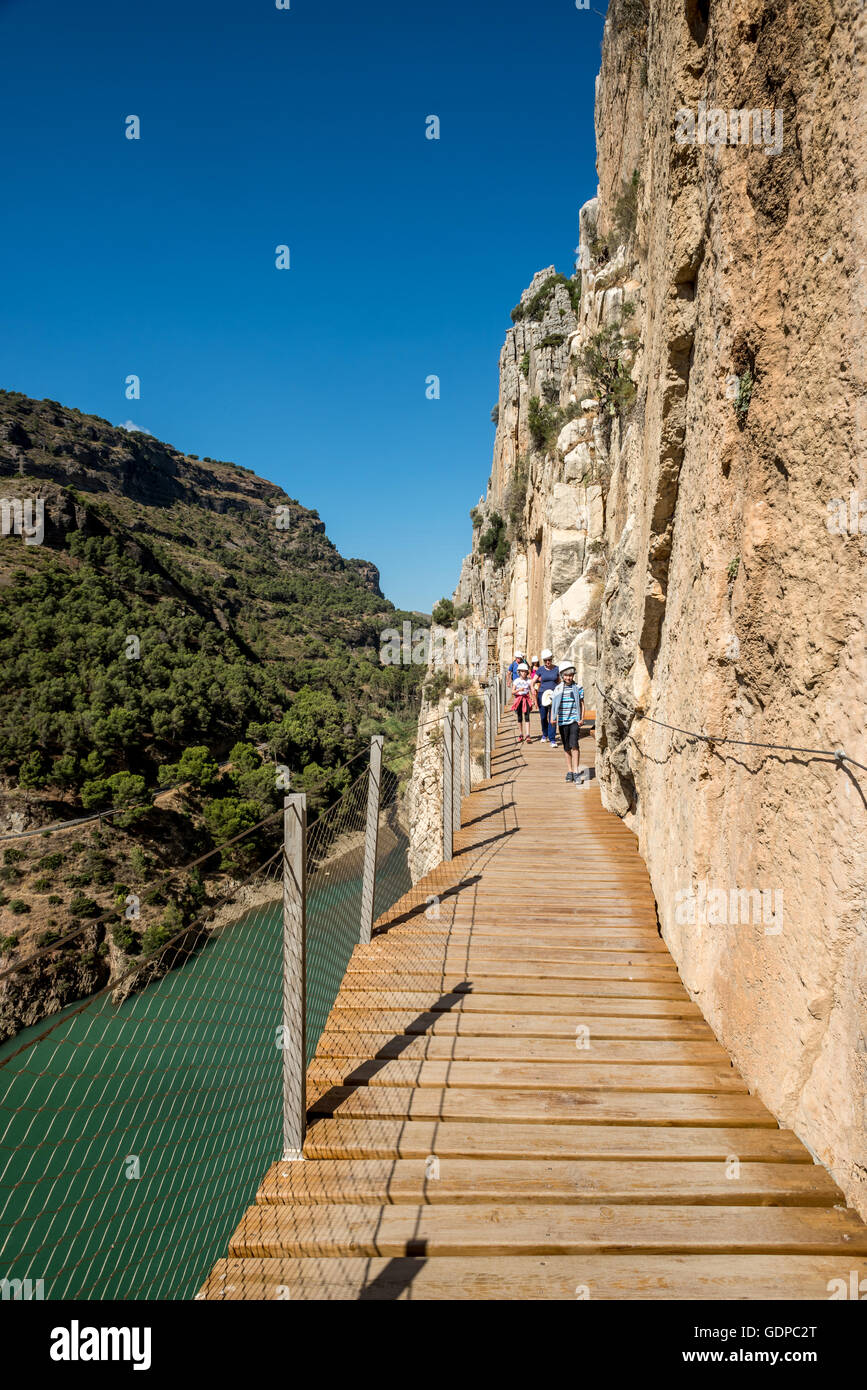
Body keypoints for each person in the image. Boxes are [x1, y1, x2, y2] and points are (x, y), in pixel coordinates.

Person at [550, 661, 585, 782]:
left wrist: (581, 718)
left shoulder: (578, 688)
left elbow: (581, 704)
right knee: (566, 747)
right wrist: (552, 717)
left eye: (570, 675)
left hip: (574, 720)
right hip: (562, 721)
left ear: (573, 675)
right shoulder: (558, 689)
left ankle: (576, 770)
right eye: (566, 675)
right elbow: (553, 705)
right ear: (562, 676)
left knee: (574, 745)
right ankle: (569, 770)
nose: (568, 677)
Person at [533, 649, 560, 748]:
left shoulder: (556, 669)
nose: (547, 662)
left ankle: (552, 739)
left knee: (552, 717)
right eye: (545, 660)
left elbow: (559, 682)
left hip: (553, 695)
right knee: (543, 717)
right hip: (542, 695)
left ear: (551, 659)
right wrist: (533, 691)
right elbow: (533, 682)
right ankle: (545, 734)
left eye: (549, 660)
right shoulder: (540, 669)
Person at [509, 661, 535, 743]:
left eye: (525, 671)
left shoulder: (529, 681)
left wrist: (533, 699)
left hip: (526, 699)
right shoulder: (516, 681)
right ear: (519, 672)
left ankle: (528, 734)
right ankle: (521, 734)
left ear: (527, 672)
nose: (524, 673)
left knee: (527, 716)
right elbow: (512, 692)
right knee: (519, 717)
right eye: (522, 671)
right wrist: (519, 690)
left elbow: (531, 690)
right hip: (518, 699)